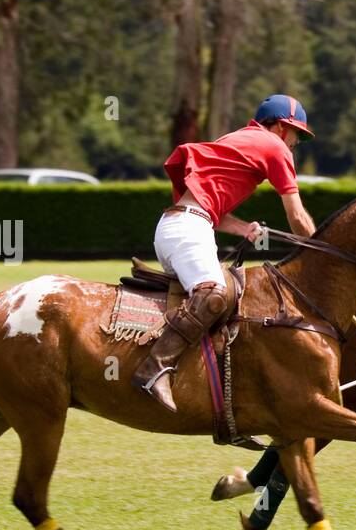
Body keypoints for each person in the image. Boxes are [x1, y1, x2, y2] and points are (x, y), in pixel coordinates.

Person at [133, 94, 319, 411]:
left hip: (181, 226)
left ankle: (227, 400)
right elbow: (297, 216)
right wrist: (320, 251)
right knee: (213, 295)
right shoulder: (274, 147)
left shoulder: (239, 139)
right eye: (295, 134)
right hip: (188, 231)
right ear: (279, 127)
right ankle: (153, 369)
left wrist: (245, 229)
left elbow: (212, 211)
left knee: (233, 306)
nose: (295, 143)